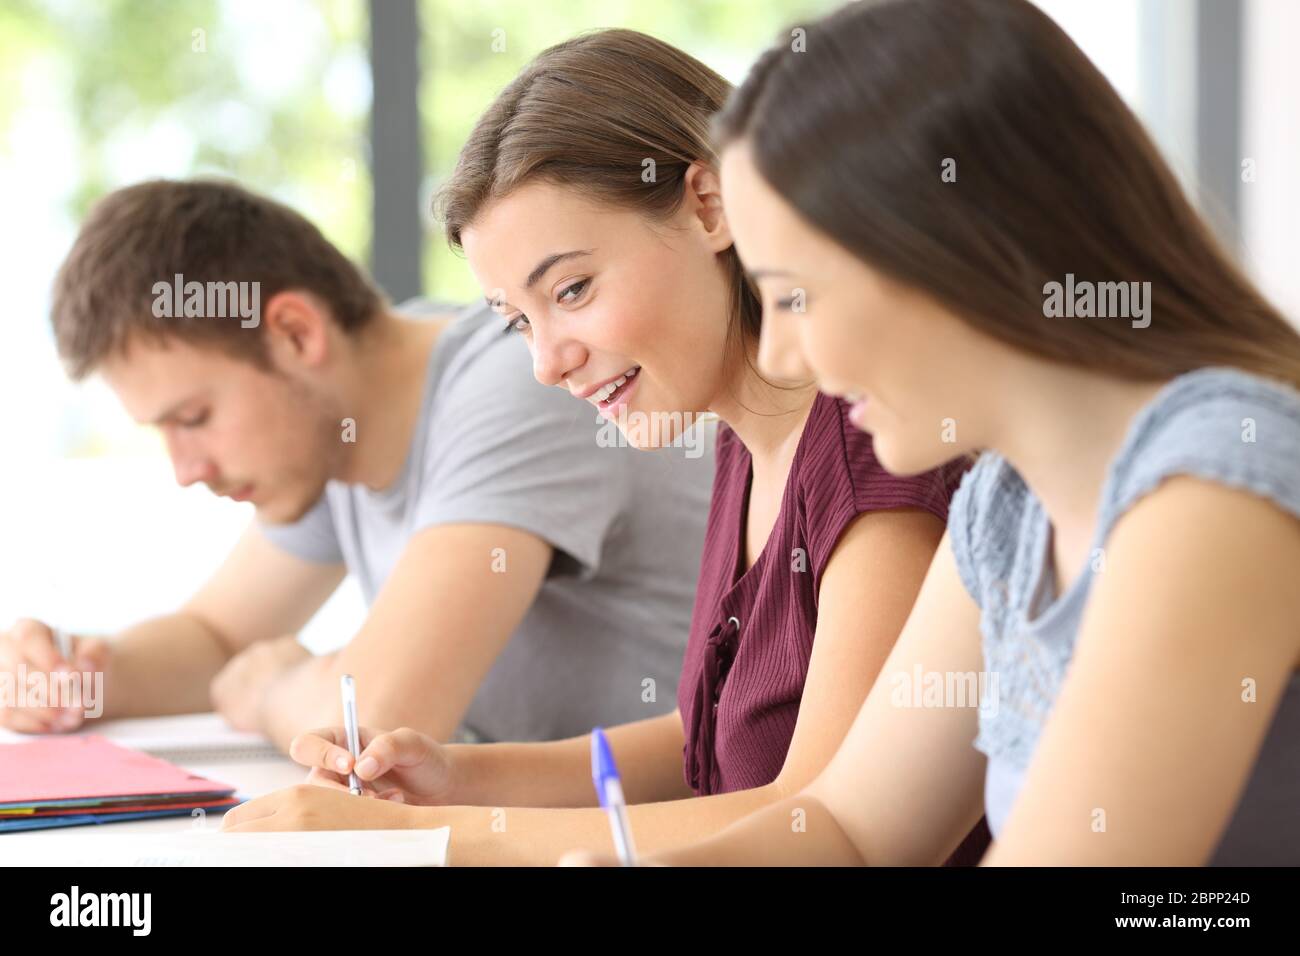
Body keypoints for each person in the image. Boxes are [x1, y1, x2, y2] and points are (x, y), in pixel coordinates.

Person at [221, 28, 989, 867]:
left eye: (573, 290)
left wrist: (419, 839)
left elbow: (808, 816)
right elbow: (704, 745)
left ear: (709, 205)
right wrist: (457, 779)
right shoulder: (742, 438)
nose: (548, 364)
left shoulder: (869, 446)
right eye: (519, 321)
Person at [571, 0, 1300, 866]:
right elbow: (852, 829)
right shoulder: (1005, 506)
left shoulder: (1213, 481)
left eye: (797, 295)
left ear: (948, 251)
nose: (780, 349)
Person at [0, 179, 714, 751]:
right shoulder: (332, 443)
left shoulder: (518, 382)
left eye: (193, 419)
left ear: (294, 333)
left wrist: (277, 687)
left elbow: (374, 723)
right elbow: (214, 639)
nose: (186, 469)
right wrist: (70, 672)